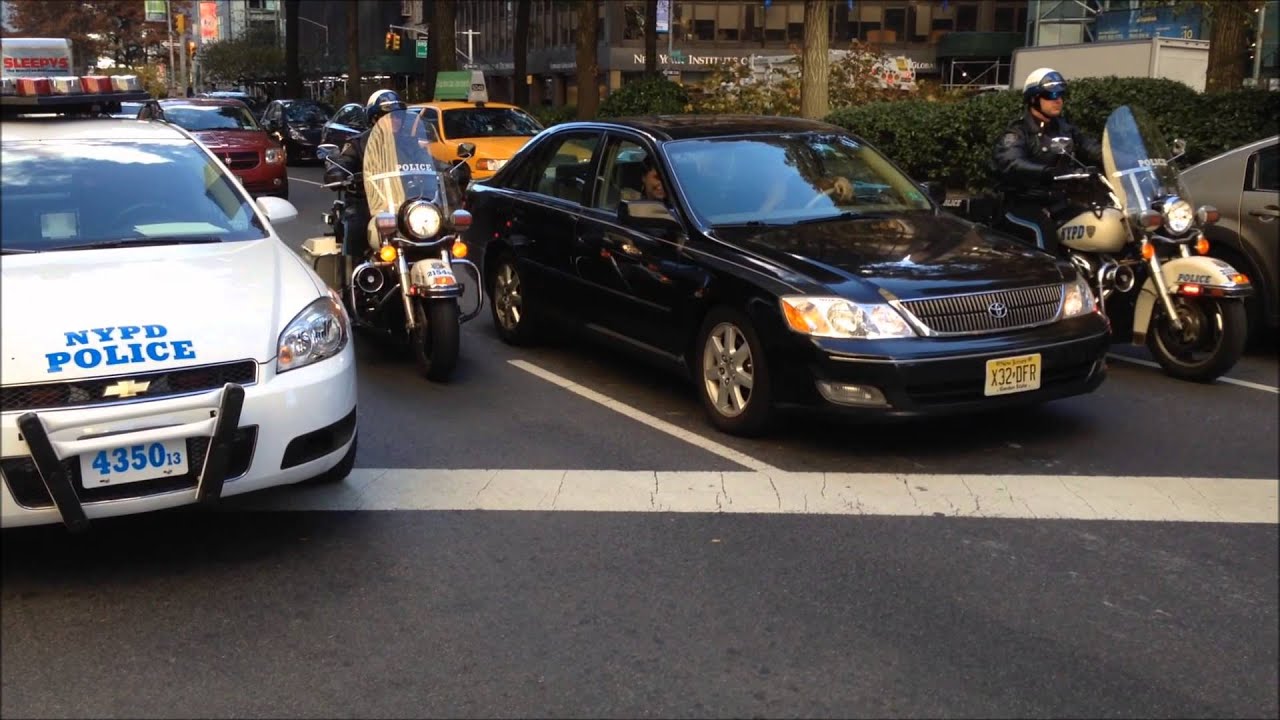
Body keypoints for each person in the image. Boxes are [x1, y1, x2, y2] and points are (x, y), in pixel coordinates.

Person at [992, 67, 1102, 255]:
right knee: (1045, 235)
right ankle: (1054, 281)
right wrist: (1046, 171)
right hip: (1023, 205)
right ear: (1034, 98)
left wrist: (1124, 158)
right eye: (1051, 94)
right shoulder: (1018, 133)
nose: (1058, 100)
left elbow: (1092, 148)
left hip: (1059, 203)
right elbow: (1011, 162)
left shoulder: (1065, 128)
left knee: (1098, 225)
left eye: (1061, 94)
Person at [324, 89, 407, 262]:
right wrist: (337, 172)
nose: (395, 120)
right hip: (367, 202)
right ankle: (353, 276)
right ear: (374, 119)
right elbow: (344, 161)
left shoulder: (409, 143)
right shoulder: (358, 143)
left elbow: (429, 161)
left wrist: (450, 170)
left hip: (403, 202)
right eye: (388, 116)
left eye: (398, 116)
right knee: (356, 226)